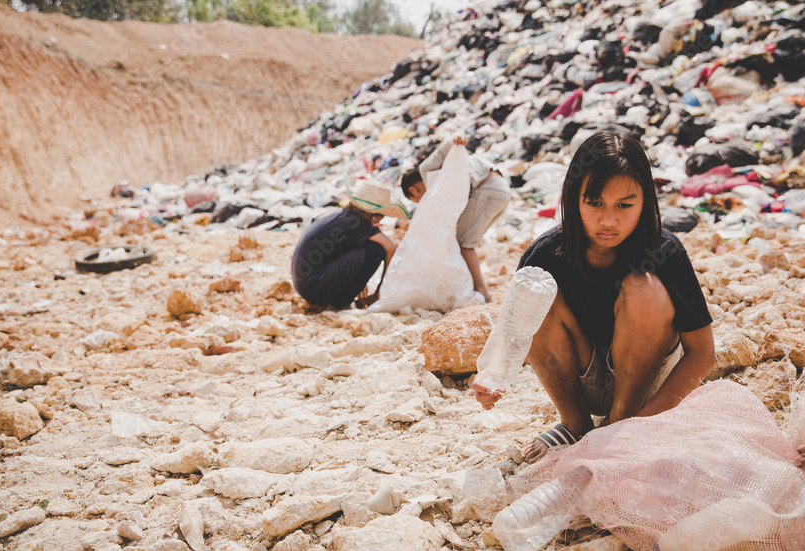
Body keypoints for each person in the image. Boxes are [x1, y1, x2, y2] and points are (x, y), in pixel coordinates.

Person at [472, 131, 715, 463]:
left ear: (646, 202)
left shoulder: (663, 251)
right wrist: (491, 380)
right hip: (582, 381)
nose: (609, 220)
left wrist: (642, 424)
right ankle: (576, 424)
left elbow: (702, 353)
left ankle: (621, 423)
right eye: (595, 202)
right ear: (574, 199)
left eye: (625, 205)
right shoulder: (547, 254)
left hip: (649, 382)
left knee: (642, 286)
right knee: (536, 287)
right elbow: (512, 332)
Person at [400, 136, 510, 301]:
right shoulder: (440, 177)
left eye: (418, 200)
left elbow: (445, 147)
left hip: (486, 189)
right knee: (465, 241)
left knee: (464, 244)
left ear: (414, 190)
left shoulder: (426, 169)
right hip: (500, 189)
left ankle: (482, 293)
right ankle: (475, 288)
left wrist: (456, 140)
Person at [291, 179, 407, 310]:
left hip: (304, 284)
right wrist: (381, 289)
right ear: (373, 213)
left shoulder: (341, 216)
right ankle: (339, 303)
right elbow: (389, 248)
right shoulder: (359, 222)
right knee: (376, 250)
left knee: (368, 246)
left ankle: (336, 299)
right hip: (314, 288)